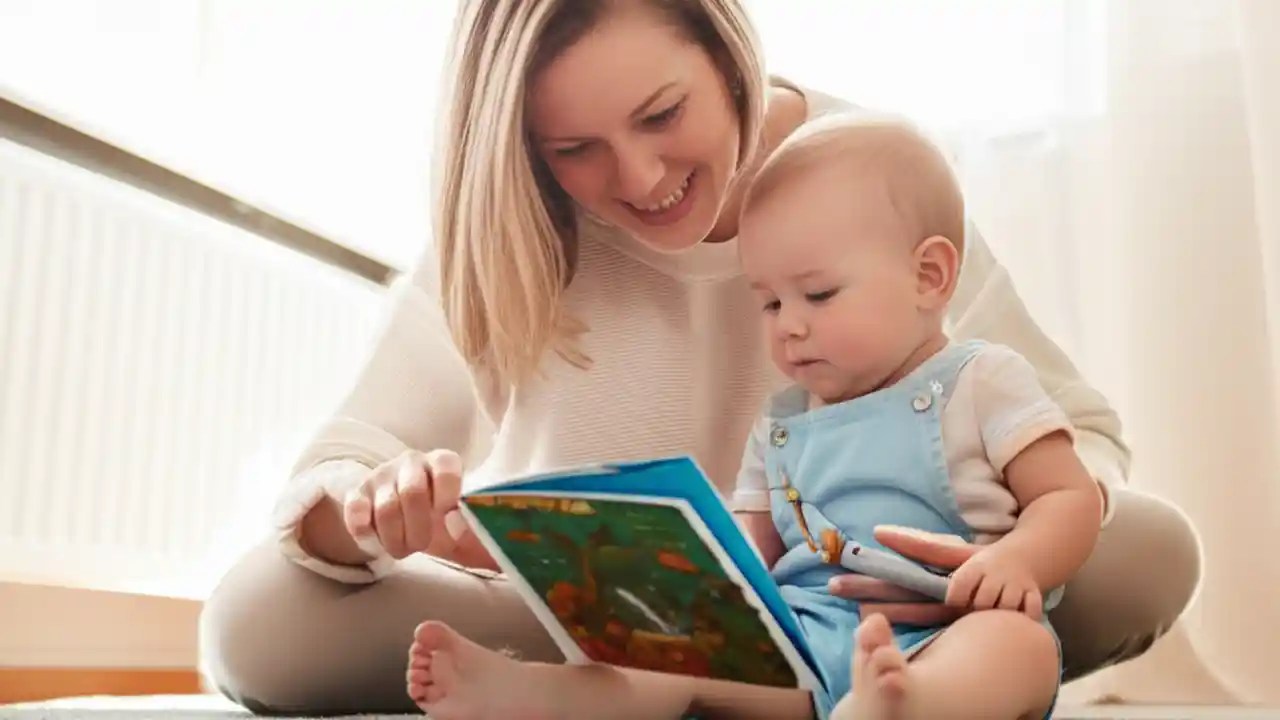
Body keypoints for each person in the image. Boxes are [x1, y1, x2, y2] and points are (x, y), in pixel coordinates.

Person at [197, 0, 1201, 714]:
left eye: (660, 115)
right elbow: (338, 463)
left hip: (897, 597)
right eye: (572, 149)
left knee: (1146, 550)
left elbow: (1086, 441)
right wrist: (370, 512)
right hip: (609, 603)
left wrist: (1001, 556)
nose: (636, 177)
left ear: (725, 52)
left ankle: (916, 684)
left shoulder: (865, 180)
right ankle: (588, 689)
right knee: (257, 621)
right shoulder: (508, 220)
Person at [401, 113, 1103, 720]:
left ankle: (909, 704)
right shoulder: (781, 421)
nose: (788, 328)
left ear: (929, 277)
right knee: (681, 651)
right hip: (805, 636)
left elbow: (1068, 497)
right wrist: (683, 595)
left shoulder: (981, 379)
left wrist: (1016, 561)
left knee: (1019, 646)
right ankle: (543, 697)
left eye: (818, 294)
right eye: (770, 303)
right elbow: (746, 554)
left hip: (952, 625)